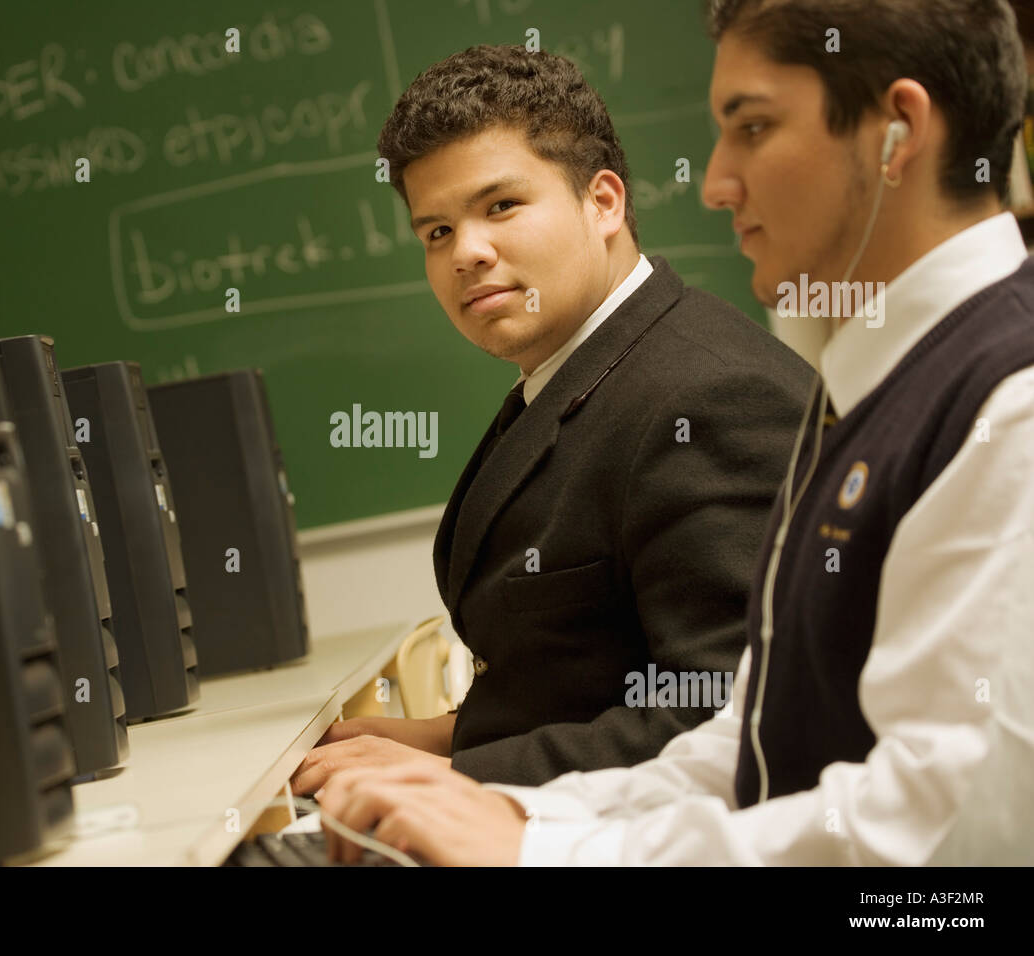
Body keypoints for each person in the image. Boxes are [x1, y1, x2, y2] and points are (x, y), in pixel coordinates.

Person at [318, 0, 1034, 866]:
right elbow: (755, 737)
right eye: (436, 231)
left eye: (754, 127)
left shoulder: (1011, 401)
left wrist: (538, 848)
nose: (714, 182)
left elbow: (957, 831)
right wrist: (520, 819)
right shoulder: (879, 385)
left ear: (897, 132)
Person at [292, 44, 810, 793]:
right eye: (436, 232)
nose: (466, 252)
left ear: (604, 202)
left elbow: (730, 715)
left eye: (500, 206)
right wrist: (443, 738)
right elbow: (587, 670)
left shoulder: (706, 396)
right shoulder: (580, 369)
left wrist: (464, 773)